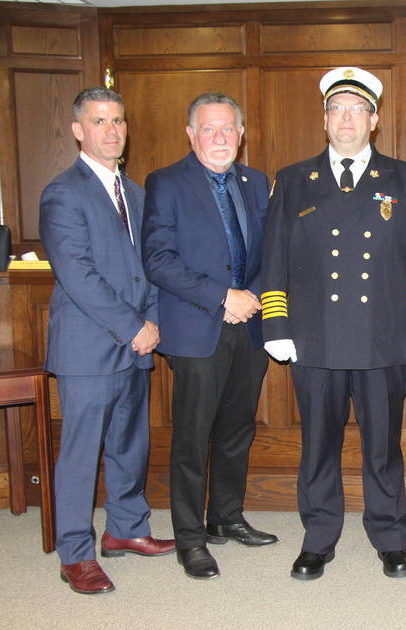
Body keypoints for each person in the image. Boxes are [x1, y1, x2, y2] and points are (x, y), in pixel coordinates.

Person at [259, 67, 406, 581]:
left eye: (356, 109)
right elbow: (272, 258)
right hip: (314, 338)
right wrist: (277, 324)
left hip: (384, 337)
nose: (346, 118)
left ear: (374, 119)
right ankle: (318, 537)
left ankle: (390, 535)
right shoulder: (294, 179)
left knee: (383, 445)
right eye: (337, 108)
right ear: (324, 119)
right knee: (318, 445)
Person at [40, 87, 175, 595]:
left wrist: (154, 323)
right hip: (88, 346)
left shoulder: (137, 194)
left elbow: (153, 268)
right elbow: (78, 274)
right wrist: (134, 325)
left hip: (136, 344)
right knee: (81, 453)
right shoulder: (63, 192)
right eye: (99, 122)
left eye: (118, 120)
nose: (112, 130)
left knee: (128, 446)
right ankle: (75, 554)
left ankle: (126, 528)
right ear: (79, 130)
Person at [141, 92, 277, 580]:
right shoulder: (166, 183)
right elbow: (157, 259)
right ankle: (190, 539)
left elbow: (272, 253)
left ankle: (226, 517)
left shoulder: (256, 182)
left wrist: (252, 297)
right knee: (193, 438)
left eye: (228, 129)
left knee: (237, 431)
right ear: (190, 134)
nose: (219, 138)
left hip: (251, 324)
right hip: (198, 326)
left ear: (241, 135)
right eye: (208, 129)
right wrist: (225, 297)